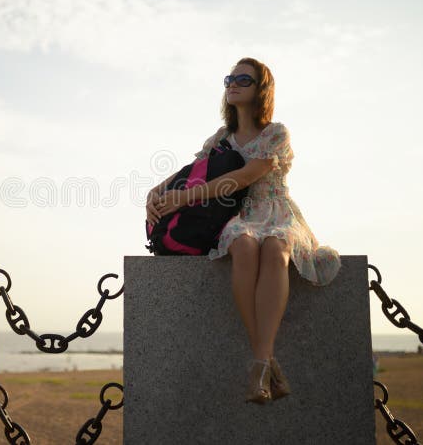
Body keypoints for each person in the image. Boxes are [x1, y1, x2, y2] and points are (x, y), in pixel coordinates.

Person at [145, 57, 342, 405]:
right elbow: (194, 169)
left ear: (261, 89)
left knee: (276, 249)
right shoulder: (221, 138)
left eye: (243, 79)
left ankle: (258, 366)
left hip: (276, 210)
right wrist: (156, 192)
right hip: (241, 215)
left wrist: (183, 198)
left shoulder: (276, 133)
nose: (232, 84)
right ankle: (267, 360)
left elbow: (247, 176)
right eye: (229, 78)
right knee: (245, 245)